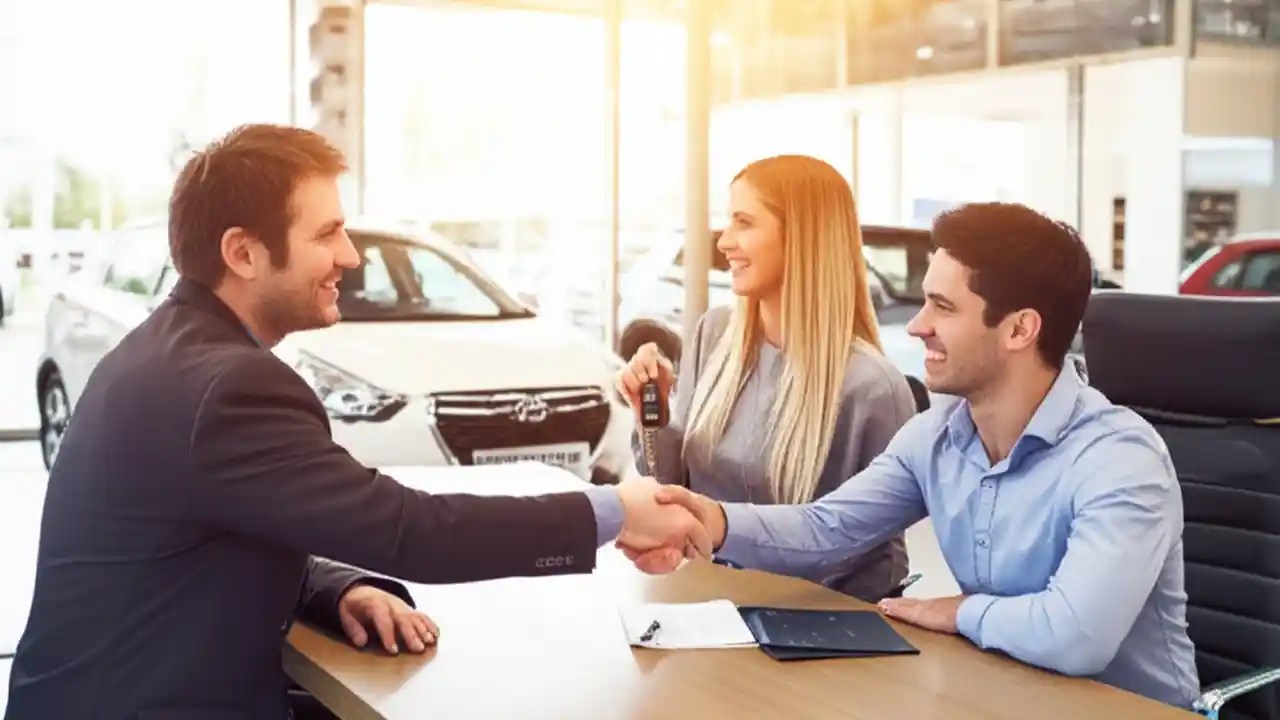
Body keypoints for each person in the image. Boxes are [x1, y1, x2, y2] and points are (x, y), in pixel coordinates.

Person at [5, 124, 706, 720]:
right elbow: (410, 531)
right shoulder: (229, 385)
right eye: (329, 233)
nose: (351, 255)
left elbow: (222, 523)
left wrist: (338, 586)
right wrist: (615, 513)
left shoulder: (162, 352)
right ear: (243, 253)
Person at [624, 202, 1201, 709]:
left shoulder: (1120, 459)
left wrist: (956, 611)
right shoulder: (939, 433)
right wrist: (710, 519)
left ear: (1020, 329)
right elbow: (829, 528)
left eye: (942, 307)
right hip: (1004, 696)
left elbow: (1075, 636)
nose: (918, 326)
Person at [615, 154, 916, 602]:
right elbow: (674, 487)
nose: (724, 242)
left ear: (801, 237)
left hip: (810, 627)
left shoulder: (873, 388)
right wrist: (652, 419)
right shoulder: (713, 334)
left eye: (744, 222)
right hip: (704, 603)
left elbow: (873, 551)